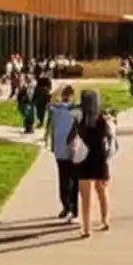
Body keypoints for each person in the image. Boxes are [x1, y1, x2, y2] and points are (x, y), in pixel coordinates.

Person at [68, 90, 114, 238]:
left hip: (83, 159)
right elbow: (109, 139)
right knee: (102, 190)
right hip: (100, 159)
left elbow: (70, 138)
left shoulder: (79, 119)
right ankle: (105, 219)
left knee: (85, 196)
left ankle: (86, 228)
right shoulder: (103, 120)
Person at [45, 86, 79, 222]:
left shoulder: (75, 110)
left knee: (70, 180)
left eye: (68, 95)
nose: (66, 97)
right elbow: (49, 105)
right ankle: (68, 207)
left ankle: (72, 208)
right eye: (65, 95)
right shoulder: (56, 110)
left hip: (72, 149)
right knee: (66, 180)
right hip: (63, 149)